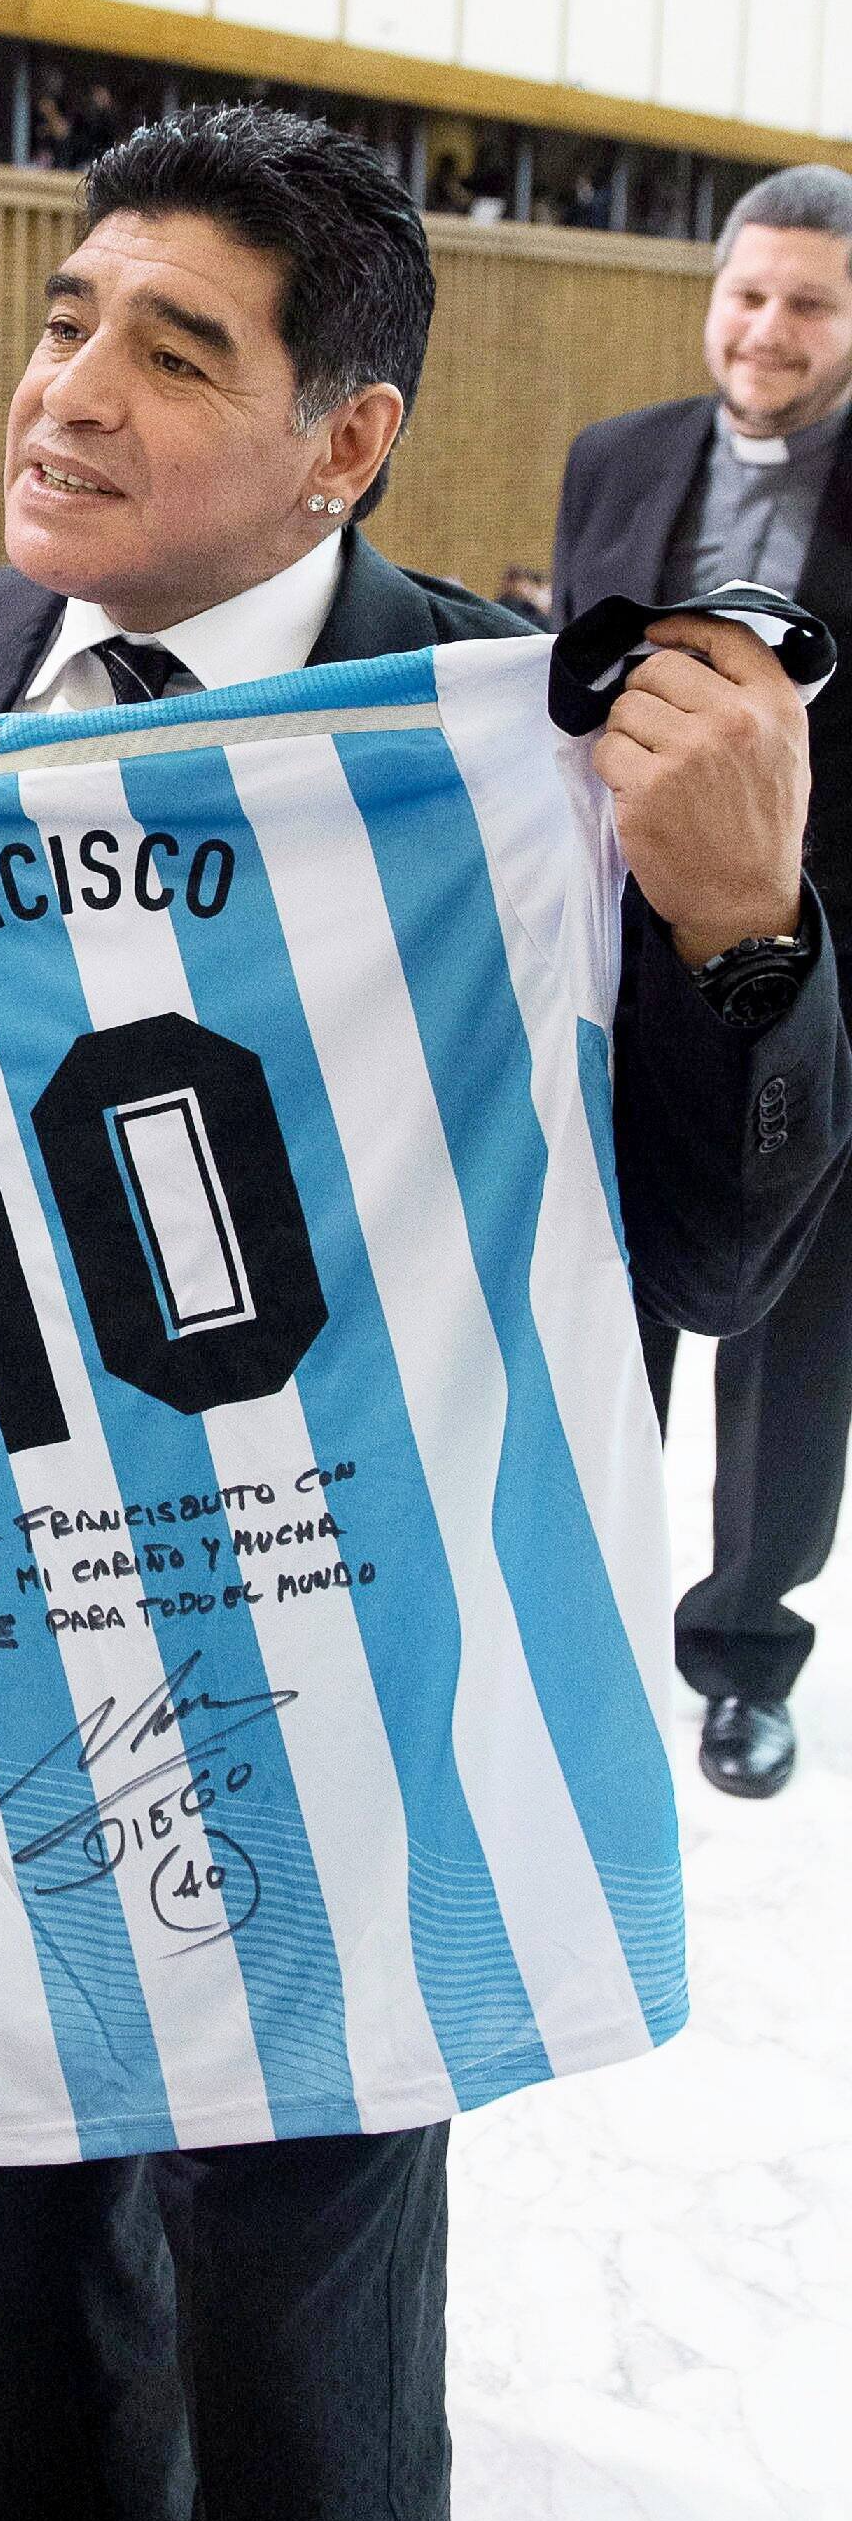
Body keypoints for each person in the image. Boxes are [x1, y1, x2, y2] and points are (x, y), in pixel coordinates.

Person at [0, 106, 842, 2521]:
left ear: (344, 437)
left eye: (177, 348)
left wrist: (741, 937)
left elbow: (718, 1262)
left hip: (338, 1640)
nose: (73, 393)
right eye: (62, 317)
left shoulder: (502, 738)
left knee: (299, 2307)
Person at [556, 162, 852, 1798]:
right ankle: (585, 1613)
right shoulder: (619, 456)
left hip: (825, 981)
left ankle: (746, 1652)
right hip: (618, 969)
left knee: (796, 1344)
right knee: (608, 1311)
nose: (768, 328)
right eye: (750, 292)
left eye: (810, 302)